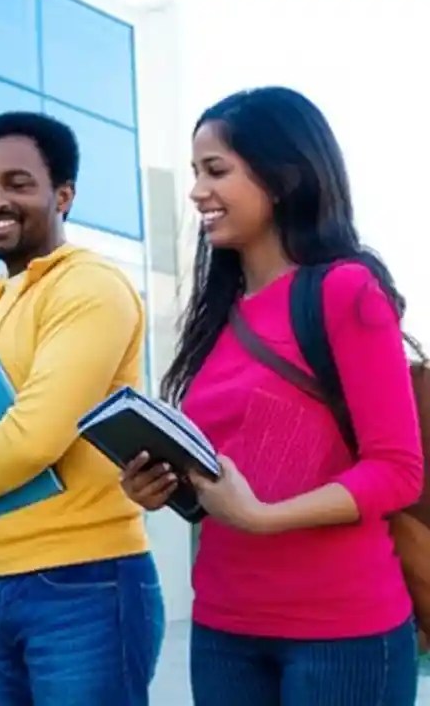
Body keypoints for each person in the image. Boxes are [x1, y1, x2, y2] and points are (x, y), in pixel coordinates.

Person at [120, 86, 423, 705]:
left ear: (281, 179)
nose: (197, 191)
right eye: (196, 171)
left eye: (216, 170)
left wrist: (263, 518)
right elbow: (239, 468)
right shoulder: (216, 318)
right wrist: (166, 486)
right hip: (226, 629)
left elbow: (397, 471)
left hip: (342, 635)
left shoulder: (347, 292)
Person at [0, 111, 164, 705]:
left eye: (18, 183)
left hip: (84, 583)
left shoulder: (90, 285)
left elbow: (37, 433)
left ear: (63, 195)